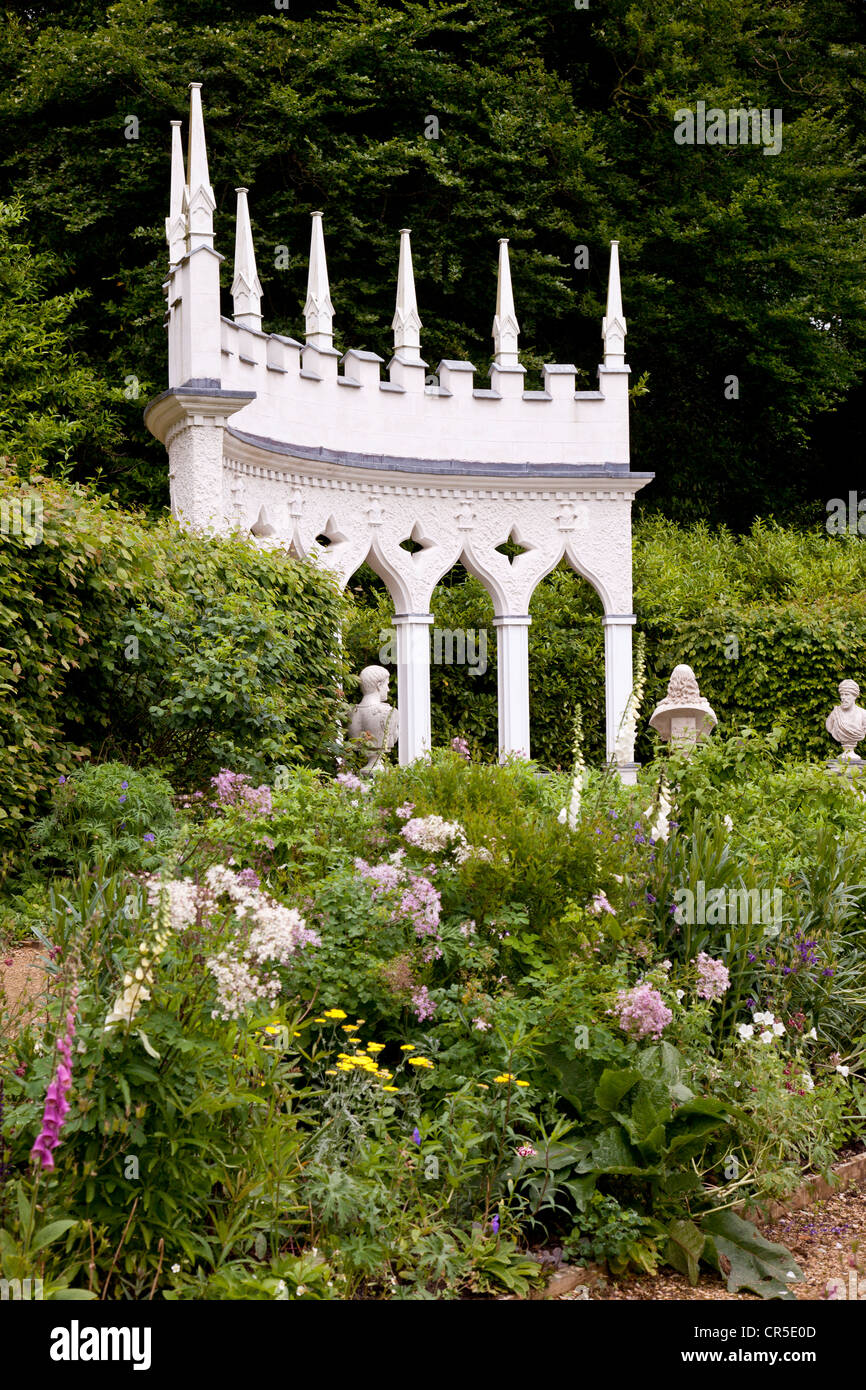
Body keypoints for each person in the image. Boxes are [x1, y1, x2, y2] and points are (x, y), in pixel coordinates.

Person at [347, 665, 398, 772]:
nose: (388, 689)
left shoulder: (351, 713)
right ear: (379, 685)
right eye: (387, 684)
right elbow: (394, 736)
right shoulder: (389, 712)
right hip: (378, 769)